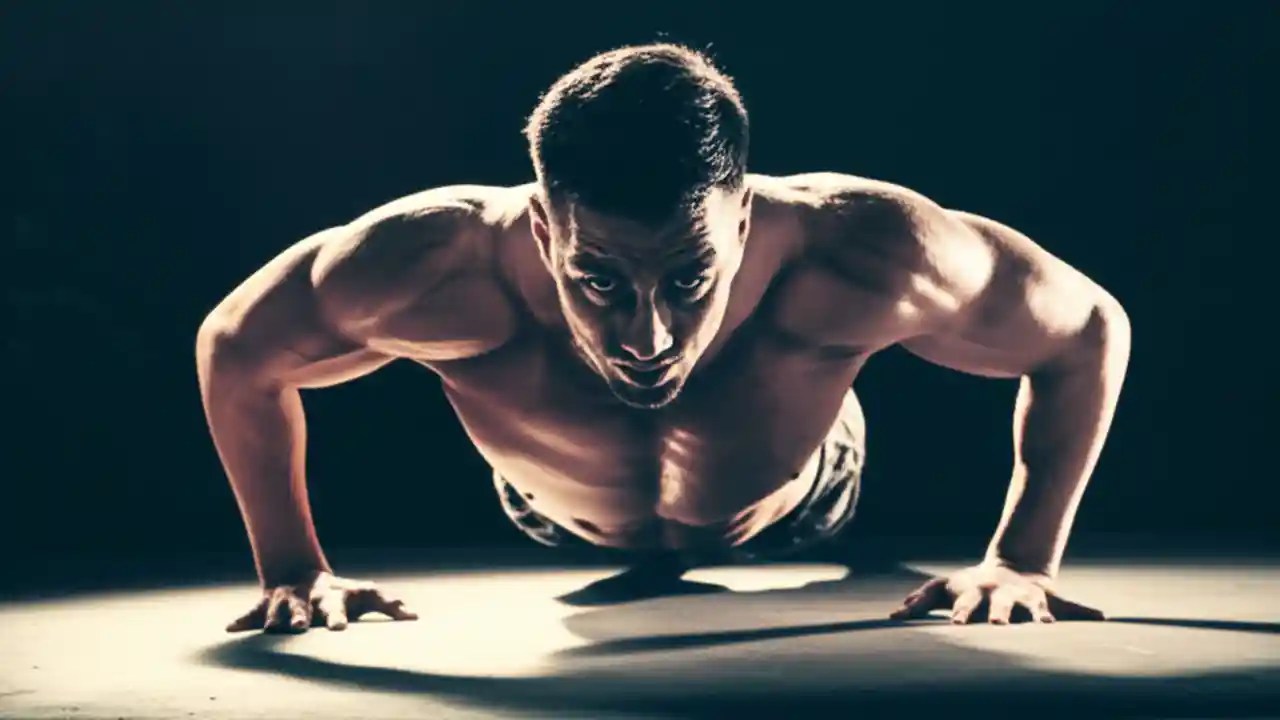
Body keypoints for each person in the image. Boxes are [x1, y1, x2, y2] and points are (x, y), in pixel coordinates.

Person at [197, 43, 1129, 634]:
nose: (646, 335)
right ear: (541, 231)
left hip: (806, 494)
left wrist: (1021, 561)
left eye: (689, 280)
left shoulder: (862, 248)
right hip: (550, 507)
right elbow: (236, 350)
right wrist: (293, 570)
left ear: (741, 221)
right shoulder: (430, 263)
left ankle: (823, 420)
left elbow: (1087, 327)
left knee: (811, 393)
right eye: (597, 279)